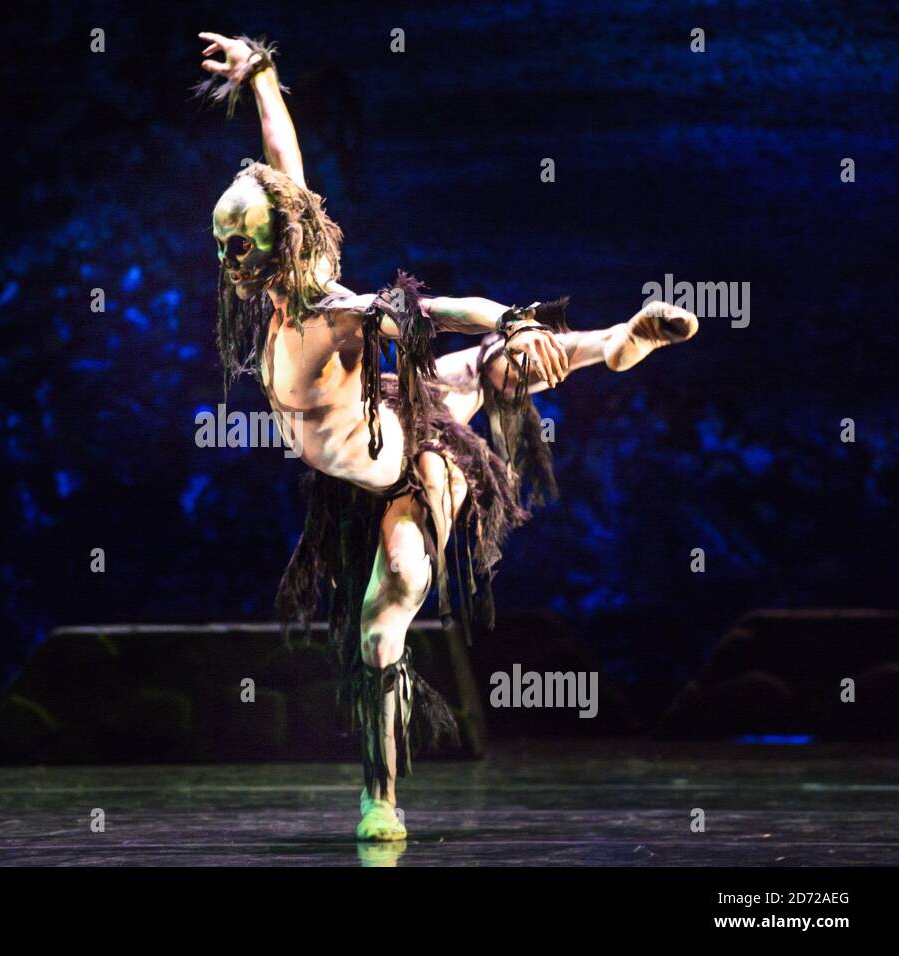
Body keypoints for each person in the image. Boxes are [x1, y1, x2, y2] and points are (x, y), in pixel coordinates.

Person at [196, 32, 698, 841]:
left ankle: (380, 798)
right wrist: (261, 76)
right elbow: (283, 166)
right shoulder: (290, 265)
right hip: (381, 429)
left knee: (383, 613)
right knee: (471, 377)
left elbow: (425, 312)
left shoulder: (332, 309)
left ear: (277, 247)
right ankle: (607, 343)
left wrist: (507, 316)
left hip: (410, 461)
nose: (228, 263)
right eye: (223, 246)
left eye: (238, 247)